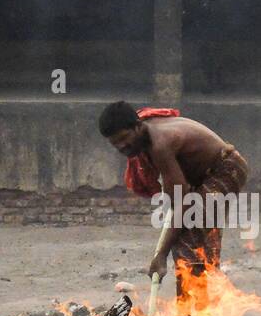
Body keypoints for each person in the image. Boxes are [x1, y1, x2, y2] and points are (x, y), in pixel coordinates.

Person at [98, 102, 250, 297]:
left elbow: (182, 202)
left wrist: (161, 255)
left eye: (124, 138)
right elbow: (179, 196)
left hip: (225, 169)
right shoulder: (147, 131)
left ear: (137, 126)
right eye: (115, 143)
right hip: (202, 178)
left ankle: (192, 314)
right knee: (189, 240)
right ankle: (198, 310)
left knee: (189, 236)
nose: (122, 147)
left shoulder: (160, 144)